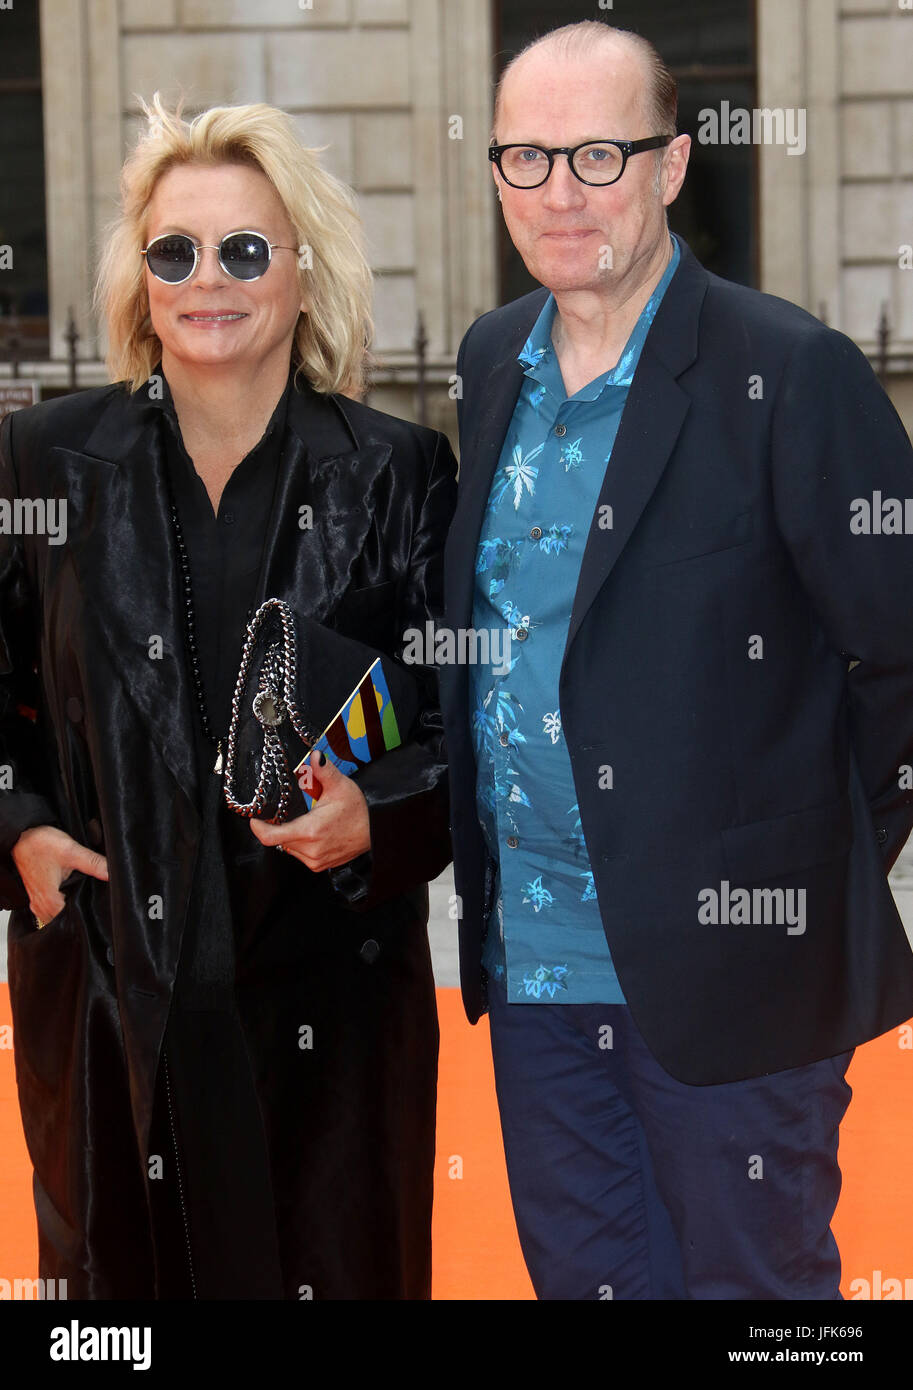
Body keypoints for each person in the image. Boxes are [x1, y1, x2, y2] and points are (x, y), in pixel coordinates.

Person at [438, 20, 913, 1300]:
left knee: (751, 1303)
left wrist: (798, 866)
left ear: (672, 165)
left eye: (599, 153)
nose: (561, 193)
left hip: (734, 982)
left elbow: (898, 654)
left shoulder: (789, 370)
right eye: (526, 158)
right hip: (535, 979)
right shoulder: (490, 366)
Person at [0, 96, 456, 1300]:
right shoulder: (45, 461)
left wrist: (387, 809)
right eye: (174, 251)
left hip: (331, 997)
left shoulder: (398, 473)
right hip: (108, 991)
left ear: (302, 274)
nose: (209, 279)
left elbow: (463, 716)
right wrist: (21, 832)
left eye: (245, 249)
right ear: (142, 279)